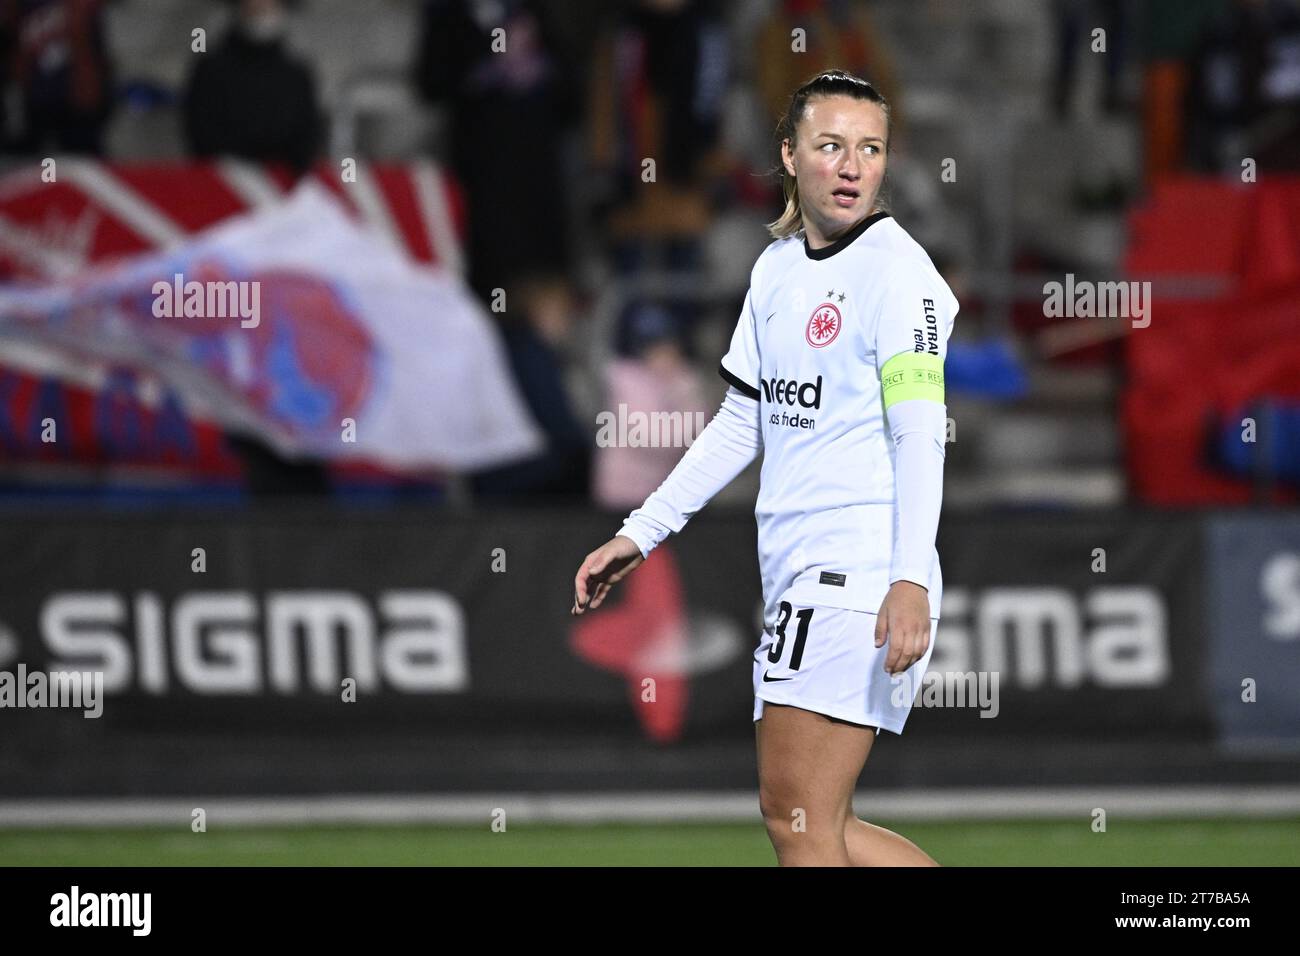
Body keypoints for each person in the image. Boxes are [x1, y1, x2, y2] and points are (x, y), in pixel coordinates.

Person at [571, 70, 957, 866]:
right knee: (822, 823)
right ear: (789, 154)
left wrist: (909, 576)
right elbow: (742, 420)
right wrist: (641, 533)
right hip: (801, 571)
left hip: (858, 573)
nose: (853, 166)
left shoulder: (899, 274)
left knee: (800, 823)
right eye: (831, 146)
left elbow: (921, 435)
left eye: (871, 148)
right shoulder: (777, 270)